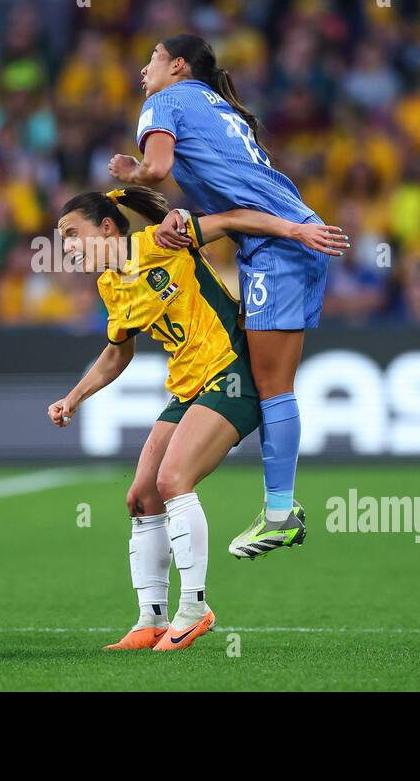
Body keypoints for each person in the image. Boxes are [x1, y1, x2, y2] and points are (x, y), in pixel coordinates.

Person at [48, 186, 343, 650]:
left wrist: (293, 229)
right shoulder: (110, 283)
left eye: (71, 233)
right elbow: (117, 352)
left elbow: (232, 219)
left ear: (106, 227)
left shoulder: (162, 241)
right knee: (142, 497)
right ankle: (150, 620)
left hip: (231, 375)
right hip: (189, 387)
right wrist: (74, 397)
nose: (64, 246)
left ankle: (195, 609)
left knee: (173, 481)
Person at [109, 34, 346, 558]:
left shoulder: (164, 101)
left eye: (151, 56)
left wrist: (133, 171)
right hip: (285, 236)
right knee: (271, 384)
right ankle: (278, 508)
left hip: (277, 243)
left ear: (177, 65)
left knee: (273, 387)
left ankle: (280, 514)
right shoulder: (218, 106)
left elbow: (157, 167)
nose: (143, 67)